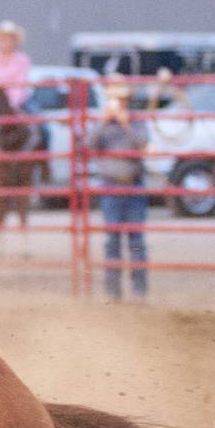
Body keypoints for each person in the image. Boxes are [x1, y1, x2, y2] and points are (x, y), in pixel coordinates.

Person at [87, 77, 150, 300]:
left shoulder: (136, 121)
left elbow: (142, 143)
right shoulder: (102, 123)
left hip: (132, 183)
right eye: (116, 99)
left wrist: (125, 124)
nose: (120, 103)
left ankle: (139, 292)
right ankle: (113, 292)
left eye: (122, 99)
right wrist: (104, 123)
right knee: (112, 240)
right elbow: (88, 145)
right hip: (111, 184)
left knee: (136, 241)